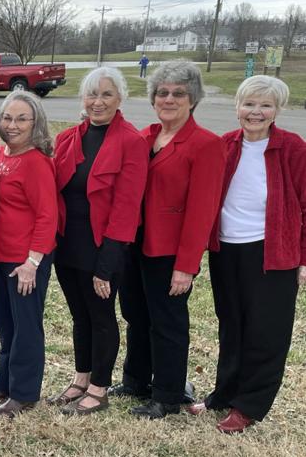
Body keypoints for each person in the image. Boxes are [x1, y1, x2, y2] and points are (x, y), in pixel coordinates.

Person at [188, 76, 306, 433]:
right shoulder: (225, 145)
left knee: (265, 332)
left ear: (277, 110)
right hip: (227, 250)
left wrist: (304, 258)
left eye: (265, 105)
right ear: (237, 107)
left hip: (273, 253)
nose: (256, 112)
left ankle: (249, 405)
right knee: (233, 325)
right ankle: (224, 393)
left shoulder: (292, 148)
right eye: (249, 104)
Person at [116, 60, 226, 420]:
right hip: (136, 243)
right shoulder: (145, 137)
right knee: (135, 314)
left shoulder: (205, 144)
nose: (169, 98)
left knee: (167, 322)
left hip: (169, 250)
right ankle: (135, 380)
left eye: (179, 93)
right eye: (162, 92)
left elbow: (202, 211)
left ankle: (166, 394)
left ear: (192, 98)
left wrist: (186, 266)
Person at [47, 67, 149, 416]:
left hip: (102, 247)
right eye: (92, 94)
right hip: (68, 245)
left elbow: (126, 208)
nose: (98, 101)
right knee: (80, 316)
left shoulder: (131, 142)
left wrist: (106, 265)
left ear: (120, 98)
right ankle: (81, 377)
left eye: (106, 94)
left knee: (101, 316)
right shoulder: (68, 139)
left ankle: (99, 387)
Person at [0, 90, 57, 418]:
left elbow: (48, 217)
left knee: (26, 327)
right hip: (0, 259)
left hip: (26, 261)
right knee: (6, 325)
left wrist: (32, 262)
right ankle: (4, 385)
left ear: (35, 123)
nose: (13, 124)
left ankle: (24, 394)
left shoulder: (36, 162)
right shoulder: (2, 154)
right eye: (8, 117)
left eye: (22, 118)